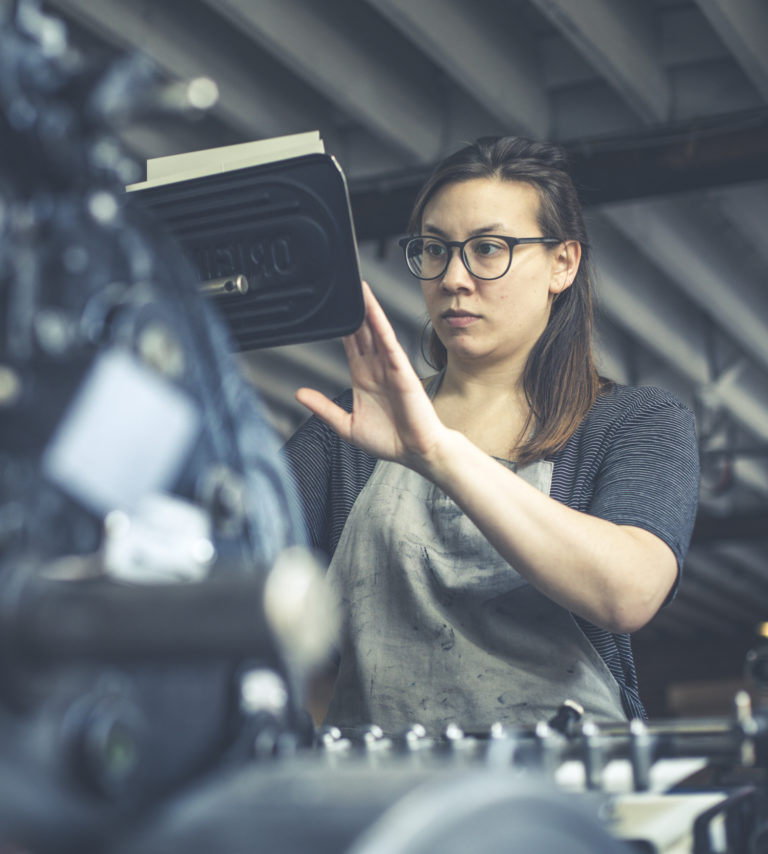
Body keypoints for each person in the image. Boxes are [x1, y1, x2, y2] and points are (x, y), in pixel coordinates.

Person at [285, 136, 700, 735]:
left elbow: (628, 592)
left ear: (564, 263)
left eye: (488, 249)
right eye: (435, 249)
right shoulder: (349, 434)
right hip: (382, 795)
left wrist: (437, 453)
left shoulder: (635, 421)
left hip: (566, 793)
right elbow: (232, 582)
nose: (453, 277)